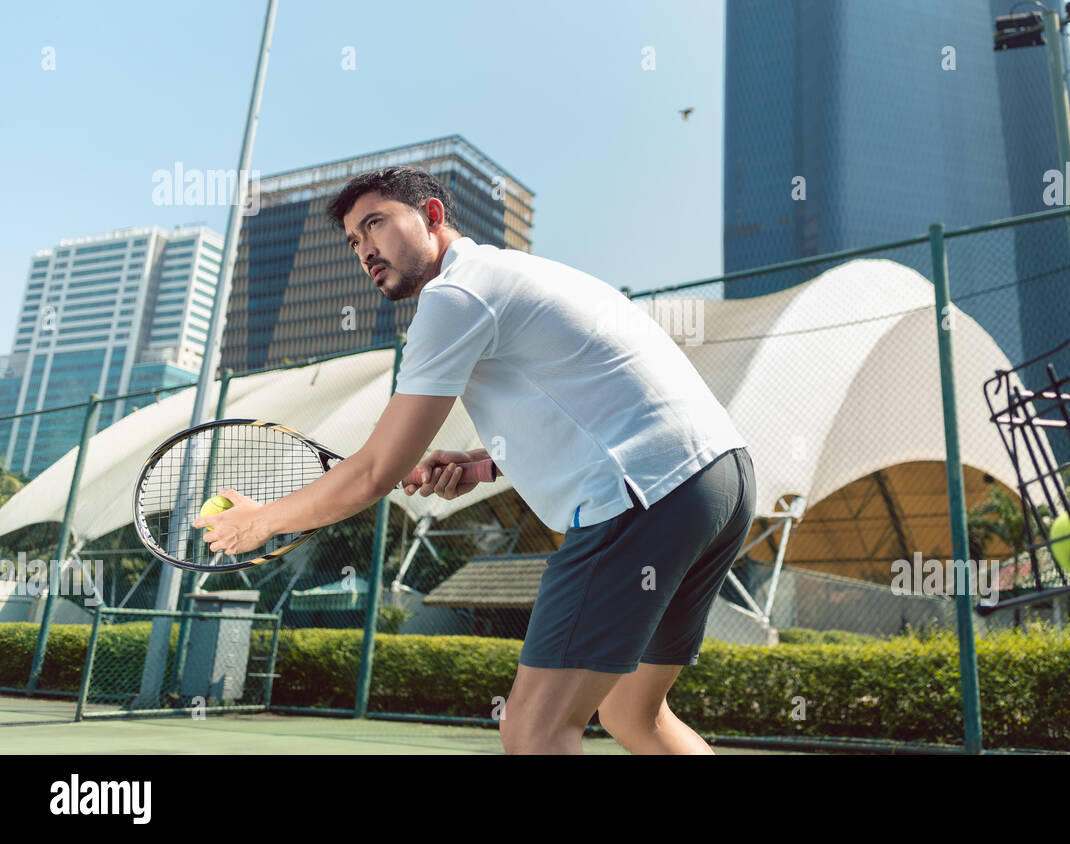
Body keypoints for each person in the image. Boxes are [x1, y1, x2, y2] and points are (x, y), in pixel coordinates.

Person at [199, 164, 754, 755]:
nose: (365, 250)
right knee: (633, 713)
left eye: (376, 225)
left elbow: (373, 472)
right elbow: (604, 399)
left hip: (645, 497)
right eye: (355, 241)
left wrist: (259, 521)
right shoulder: (510, 275)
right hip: (719, 480)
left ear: (433, 216)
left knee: (535, 728)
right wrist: (485, 465)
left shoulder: (455, 295)